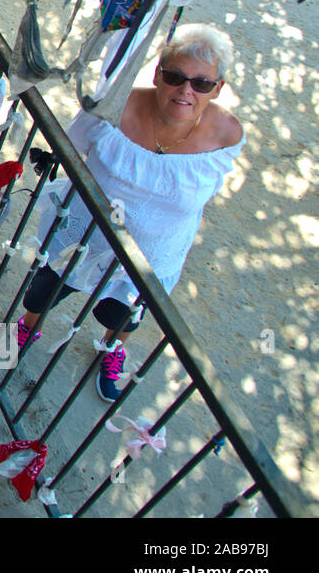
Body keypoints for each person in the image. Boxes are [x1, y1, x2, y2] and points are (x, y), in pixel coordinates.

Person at [16, 24, 245, 401]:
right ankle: (28, 328)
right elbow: (67, 147)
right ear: (157, 74)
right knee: (45, 290)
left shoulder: (228, 136)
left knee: (121, 314)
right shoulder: (111, 106)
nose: (186, 90)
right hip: (84, 236)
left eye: (202, 84)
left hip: (151, 255)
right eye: (175, 77)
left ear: (218, 88)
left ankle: (111, 348)